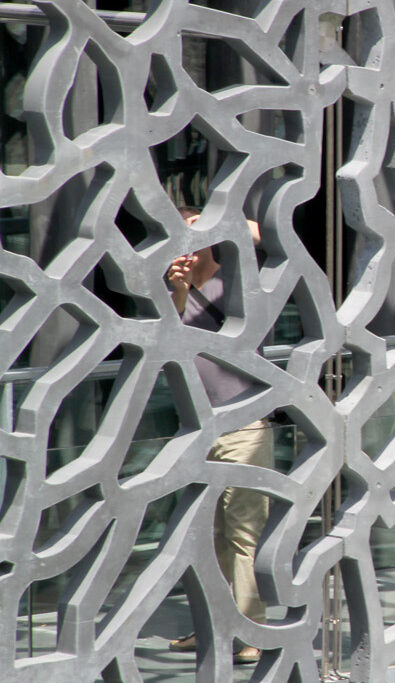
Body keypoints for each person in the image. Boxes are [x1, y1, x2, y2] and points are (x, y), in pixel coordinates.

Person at [166, 208, 270, 665]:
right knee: (204, 536)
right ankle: (212, 625)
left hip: (243, 423)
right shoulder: (173, 285)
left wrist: (213, 218)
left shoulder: (237, 278)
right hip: (195, 426)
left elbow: (266, 235)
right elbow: (166, 338)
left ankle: (249, 631)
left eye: (196, 232)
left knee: (242, 534)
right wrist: (177, 289)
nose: (187, 242)